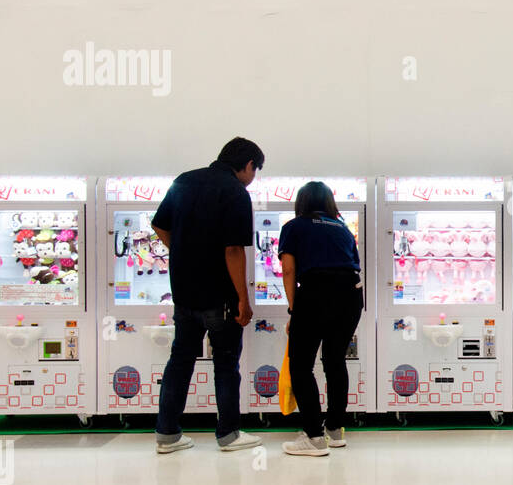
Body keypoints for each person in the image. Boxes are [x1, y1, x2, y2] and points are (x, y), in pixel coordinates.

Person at [150, 137, 266, 455]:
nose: (253, 177)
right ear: (247, 166)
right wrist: (243, 299)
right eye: (255, 170)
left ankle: (167, 434)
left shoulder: (184, 181)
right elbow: (232, 250)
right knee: (226, 363)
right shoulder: (235, 193)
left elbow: (158, 225)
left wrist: (184, 252)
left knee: (180, 360)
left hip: (184, 292)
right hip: (221, 298)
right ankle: (228, 434)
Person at [278, 181, 363, 456]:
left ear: (302, 202)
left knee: (301, 365)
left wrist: (294, 309)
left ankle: (314, 437)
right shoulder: (343, 229)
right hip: (350, 297)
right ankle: (335, 430)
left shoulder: (294, 226)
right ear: (329, 202)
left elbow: (289, 271)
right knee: (335, 361)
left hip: (315, 293)